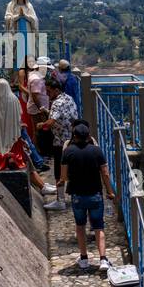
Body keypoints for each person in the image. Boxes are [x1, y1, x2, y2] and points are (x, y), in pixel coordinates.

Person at [61, 120, 116, 271]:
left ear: (74, 136)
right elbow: (105, 173)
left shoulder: (68, 152)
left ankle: (84, 258)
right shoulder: (97, 151)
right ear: (88, 136)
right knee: (99, 227)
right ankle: (103, 259)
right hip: (95, 195)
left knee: (80, 226)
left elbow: (64, 177)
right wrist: (110, 192)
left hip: (77, 195)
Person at [41, 72, 79, 210]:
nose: (47, 94)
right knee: (73, 171)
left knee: (59, 172)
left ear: (56, 90)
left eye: (49, 91)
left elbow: (51, 122)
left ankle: (60, 200)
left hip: (60, 143)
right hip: (73, 140)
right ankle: (76, 198)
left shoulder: (57, 103)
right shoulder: (69, 98)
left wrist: (41, 124)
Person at [4, 0, 38, 72]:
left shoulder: (29, 6)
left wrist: (25, 15)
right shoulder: (11, 5)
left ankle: (29, 72)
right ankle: (16, 76)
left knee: (28, 51)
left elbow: (35, 19)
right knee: (17, 53)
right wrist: (18, 16)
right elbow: (7, 18)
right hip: (16, 32)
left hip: (27, 32)